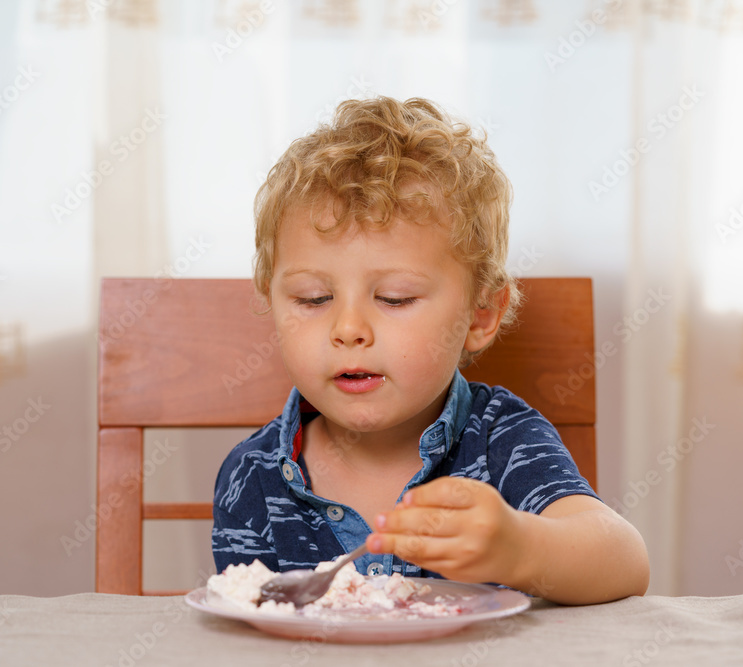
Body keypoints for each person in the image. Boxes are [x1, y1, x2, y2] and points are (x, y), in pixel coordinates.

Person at [212, 96, 649, 604]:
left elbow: (625, 563)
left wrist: (522, 549)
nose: (348, 328)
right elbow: (250, 630)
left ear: (480, 315)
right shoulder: (252, 476)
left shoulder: (502, 441)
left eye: (395, 298)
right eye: (314, 299)